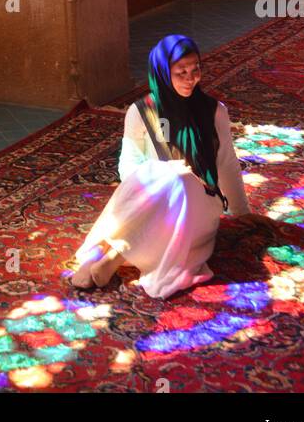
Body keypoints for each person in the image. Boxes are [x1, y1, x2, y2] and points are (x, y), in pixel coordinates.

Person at [70, 33, 268, 296]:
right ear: (163, 73)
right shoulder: (140, 111)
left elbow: (227, 164)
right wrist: (158, 181)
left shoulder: (214, 111)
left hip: (198, 202)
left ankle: (112, 257)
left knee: (180, 179)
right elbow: (128, 166)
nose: (191, 78)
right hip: (150, 197)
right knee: (168, 176)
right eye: (181, 72)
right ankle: (107, 255)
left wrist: (241, 212)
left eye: (195, 69)